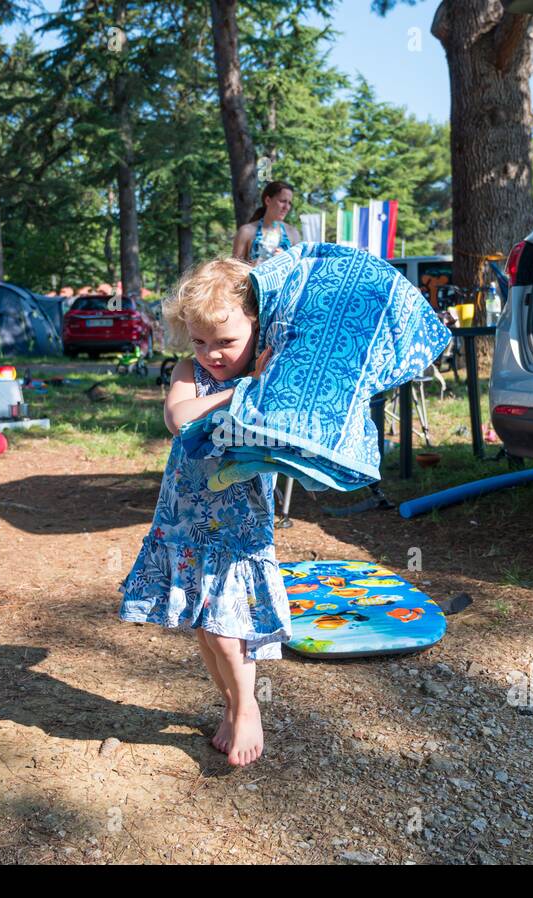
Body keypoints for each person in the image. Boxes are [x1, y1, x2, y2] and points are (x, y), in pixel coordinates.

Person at [117, 257, 286, 767]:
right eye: (199, 342)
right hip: (186, 521)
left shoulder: (269, 371)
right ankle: (232, 705)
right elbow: (178, 417)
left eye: (226, 341)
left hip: (236, 528)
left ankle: (248, 707)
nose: (211, 353)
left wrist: (257, 383)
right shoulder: (192, 373)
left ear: (256, 324)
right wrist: (237, 390)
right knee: (204, 629)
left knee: (227, 632)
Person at [233, 180, 302, 265]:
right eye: (282, 201)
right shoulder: (246, 232)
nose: (286, 207)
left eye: (289, 203)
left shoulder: (293, 234)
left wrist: (286, 259)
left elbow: (298, 269)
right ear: (268, 200)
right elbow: (234, 270)